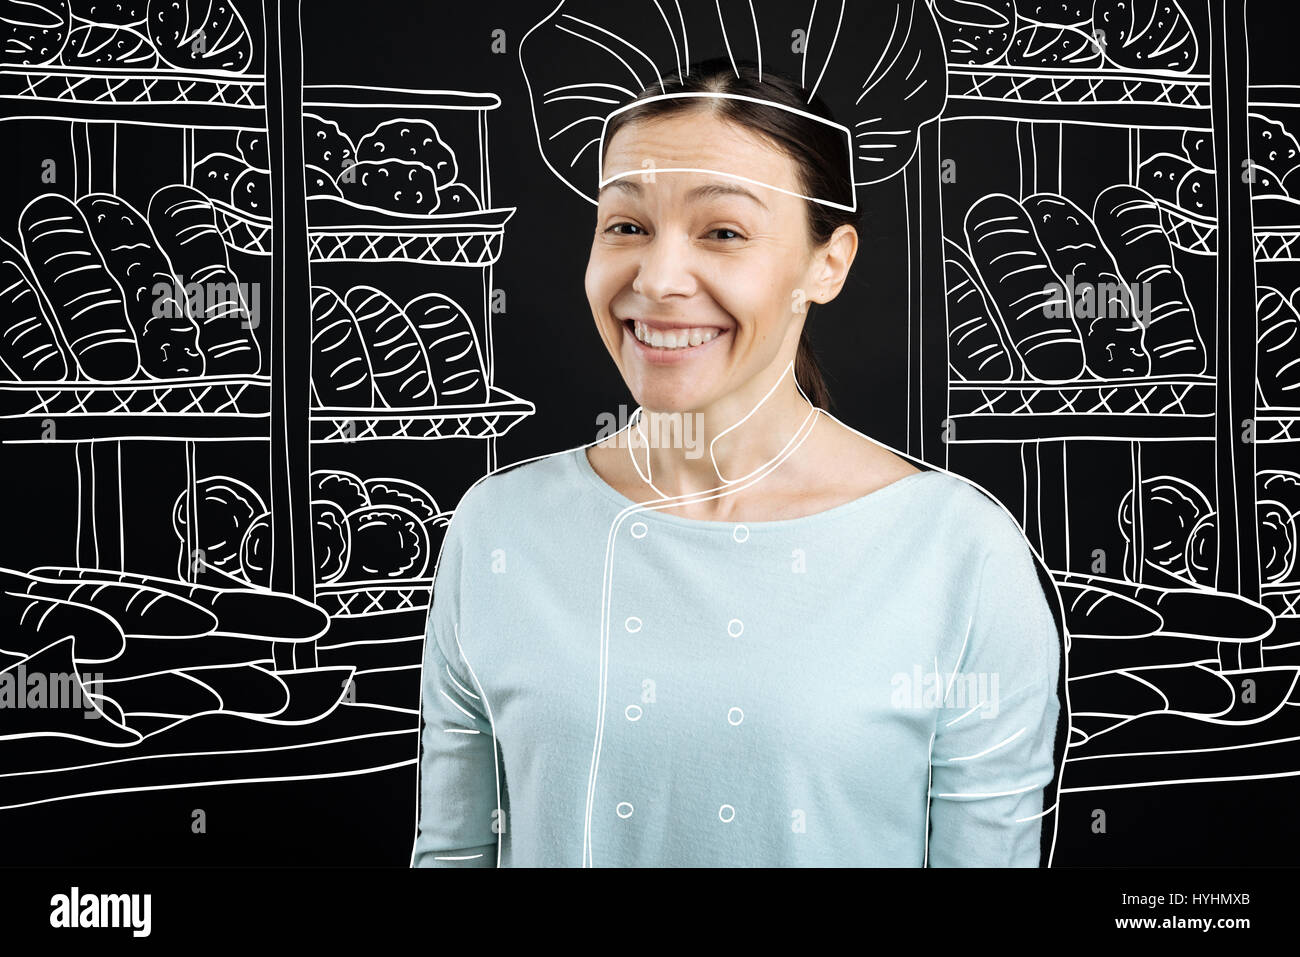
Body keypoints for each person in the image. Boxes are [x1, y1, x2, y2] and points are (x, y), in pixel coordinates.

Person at [411, 52, 1062, 867]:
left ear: (827, 263)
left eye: (723, 231)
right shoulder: (497, 527)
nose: (658, 278)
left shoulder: (958, 553)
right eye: (626, 225)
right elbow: (454, 852)